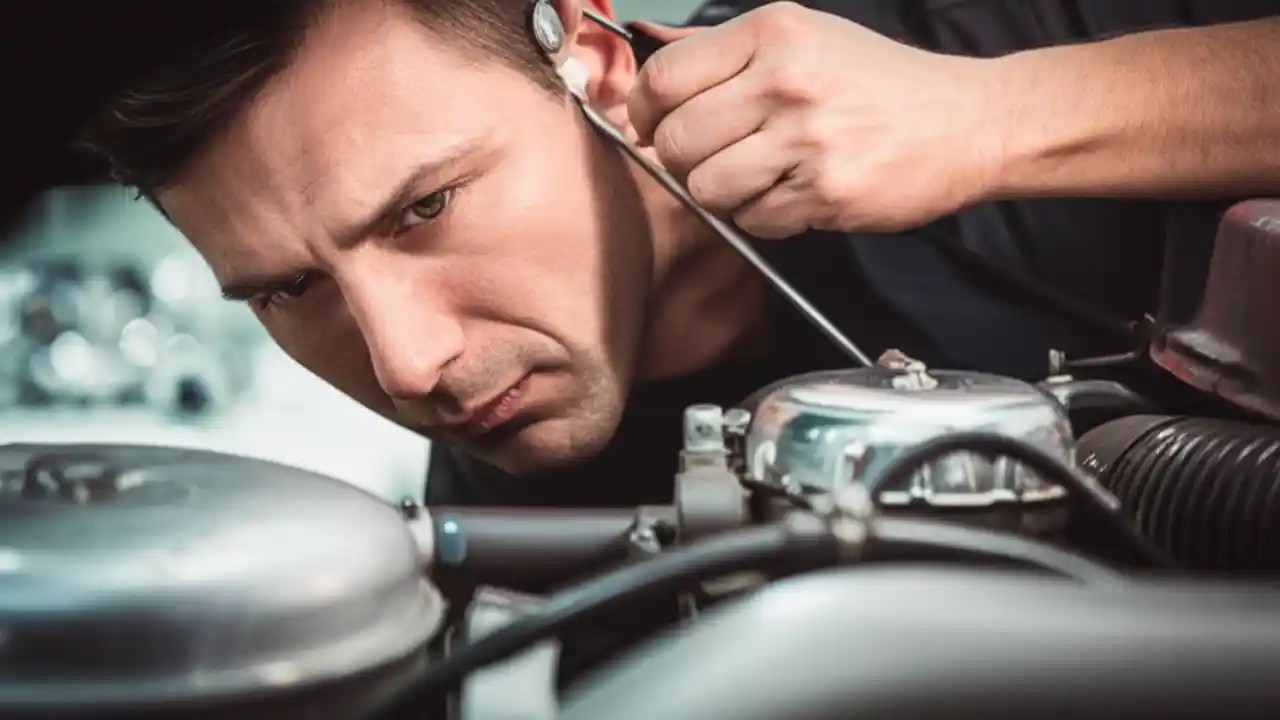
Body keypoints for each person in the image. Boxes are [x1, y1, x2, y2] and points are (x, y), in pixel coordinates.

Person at [76, 0, 1279, 508]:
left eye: (423, 208)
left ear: (591, 67)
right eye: (288, 290)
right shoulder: (504, 520)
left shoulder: (955, 42)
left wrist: (1000, 118)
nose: (405, 364)